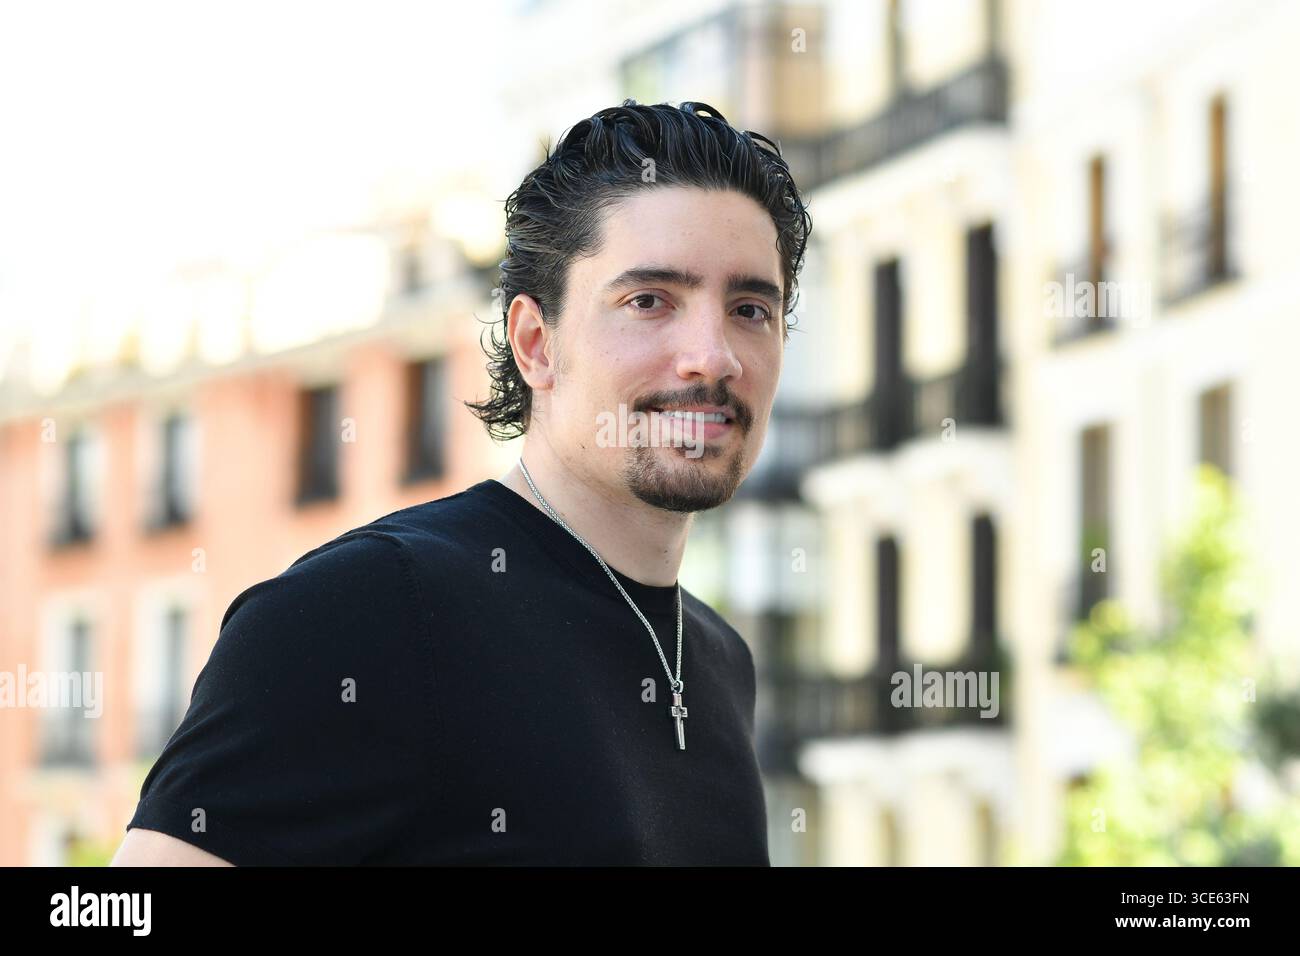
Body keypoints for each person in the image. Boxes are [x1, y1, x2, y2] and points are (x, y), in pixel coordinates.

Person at [111, 99, 812, 866]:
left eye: (750, 309)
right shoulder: (369, 607)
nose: (712, 357)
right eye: (649, 302)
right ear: (536, 344)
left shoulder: (721, 660)